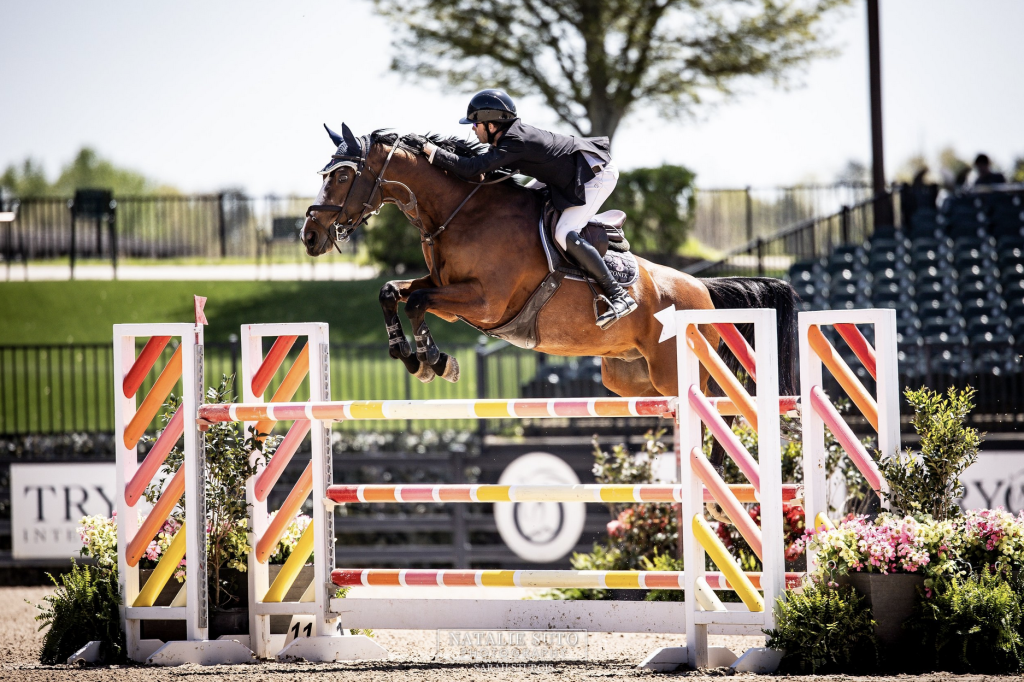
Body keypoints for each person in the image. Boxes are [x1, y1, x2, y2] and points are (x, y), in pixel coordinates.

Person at [422, 89, 638, 329]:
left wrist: (433, 154)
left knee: (564, 233)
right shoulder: (507, 139)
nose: (473, 128)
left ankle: (619, 295)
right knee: (528, 199)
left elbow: (473, 168)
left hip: (595, 173)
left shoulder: (514, 141)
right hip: (566, 173)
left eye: (476, 123)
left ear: (492, 125)